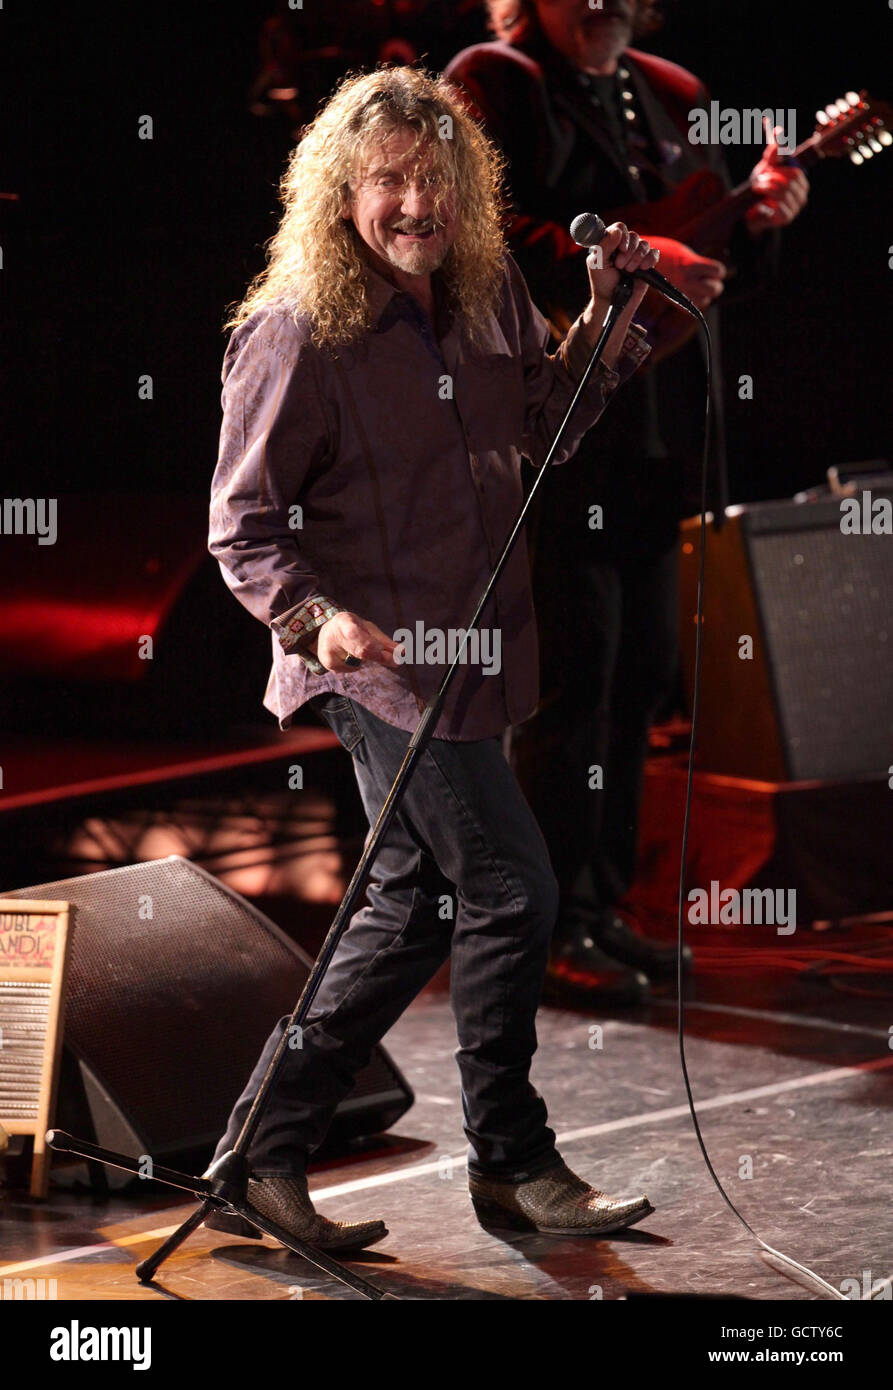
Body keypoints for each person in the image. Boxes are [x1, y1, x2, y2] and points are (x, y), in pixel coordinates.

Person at [205, 65, 661, 1248]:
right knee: (512, 887)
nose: (416, 205)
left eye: (437, 181)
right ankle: (511, 1161)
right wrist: (315, 617)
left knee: (411, 907)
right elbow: (240, 527)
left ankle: (257, 1153)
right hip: (379, 666)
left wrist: (604, 315)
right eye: (390, 182)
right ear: (341, 192)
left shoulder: (486, 287)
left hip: (478, 652)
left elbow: (544, 430)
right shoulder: (294, 332)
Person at [446, 0, 809, 1004]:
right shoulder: (494, 78)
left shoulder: (672, 91)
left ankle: (597, 907)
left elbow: (712, 257)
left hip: (652, 426)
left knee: (642, 668)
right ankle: (540, 927)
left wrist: (759, 221)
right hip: (554, 416)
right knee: (575, 672)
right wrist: (630, 259)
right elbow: (477, 235)